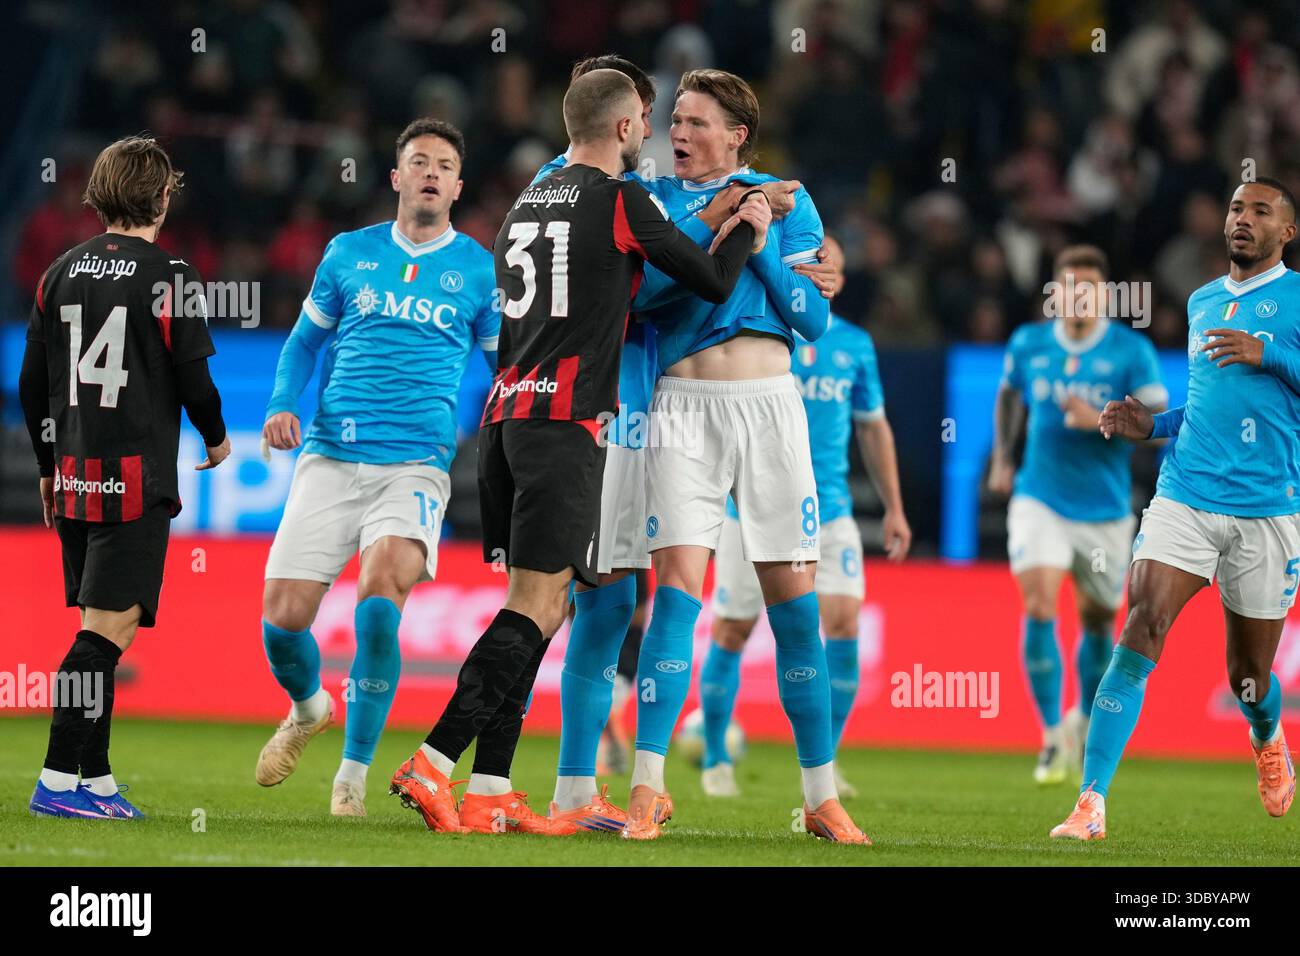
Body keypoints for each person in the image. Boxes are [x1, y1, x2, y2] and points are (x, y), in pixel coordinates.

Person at [387, 68, 769, 835]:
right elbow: (708, 284)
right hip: (565, 424)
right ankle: (433, 762)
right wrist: (748, 226)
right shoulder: (621, 199)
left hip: (503, 419)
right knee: (535, 606)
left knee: (543, 602)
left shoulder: (530, 196)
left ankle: (492, 785)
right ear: (628, 129)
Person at [623, 69, 870, 843]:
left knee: (796, 611)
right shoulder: (656, 201)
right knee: (676, 597)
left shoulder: (788, 202)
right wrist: (726, 224)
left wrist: (759, 236)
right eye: (676, 121)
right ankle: (647, 788)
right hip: (680, 411)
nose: (679, 134)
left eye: (696, 122)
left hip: (770, 409)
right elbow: (646, 299)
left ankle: (821, 798)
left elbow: (810, 318)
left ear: (737, 134)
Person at [253, 118, 499, 817]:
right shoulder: (347, 254)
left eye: (443, 164)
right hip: (330, 456)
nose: (429, 172)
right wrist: (280, 403)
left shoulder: (479, 269)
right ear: (394, 178)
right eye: (417, 160)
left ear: (456, 185)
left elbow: (501, 365)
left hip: (415, 466)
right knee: (282, 620)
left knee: (380, 612)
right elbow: (303, 344)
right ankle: (308, 709)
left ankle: (350, 781)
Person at [1052, 178, 1300, 840]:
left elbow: (1273, 381)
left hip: (1268, 510)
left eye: (1260, 211)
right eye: (1236, 208)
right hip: (1186, 493)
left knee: (1248, 678)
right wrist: (1153, 426)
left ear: (1287, 233)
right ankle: (1090, 801)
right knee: (1142, 623)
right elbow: (1210, 408)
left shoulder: (1298, 301)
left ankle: (1267, 733)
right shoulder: (1201, 301)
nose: (1243, 219)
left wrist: (1268, 352)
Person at [22, 136, 230, 819]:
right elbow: (194, 379)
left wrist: (50, 470)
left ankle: (96, 781)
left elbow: (30, 386)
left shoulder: (58, 272)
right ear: (162, 196)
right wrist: (219, 438)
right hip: (135, 482)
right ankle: (56, 781)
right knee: (104, 635)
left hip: (78, 478)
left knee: (98, 625)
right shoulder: (171, 276)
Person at [702, 234, 912, 799]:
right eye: (815, 262)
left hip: (831, 508)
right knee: (733, 628)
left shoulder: (855, 345)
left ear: (841, 279)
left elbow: (873, 426)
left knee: (843, 624)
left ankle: (826, 759)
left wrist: (894, 507)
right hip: (750, 506)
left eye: (834, 266)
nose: (826, 271)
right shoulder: (761, 328)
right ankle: (715, 757)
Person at [989, 245, 1167, 784]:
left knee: (1096, 619)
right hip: (1038, 496)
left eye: (1089, 288)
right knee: (1040, 602)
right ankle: (1048, 735)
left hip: (1104, 510)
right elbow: (1008, 395)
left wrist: (1102, 419)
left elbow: (1158, 424)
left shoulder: (1130, 351)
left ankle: (1084, 721)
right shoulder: (1029, 343)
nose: (1078, 296)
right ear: (1056, 293)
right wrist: (1003, 456)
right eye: (1069, 287)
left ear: (1106, 296)